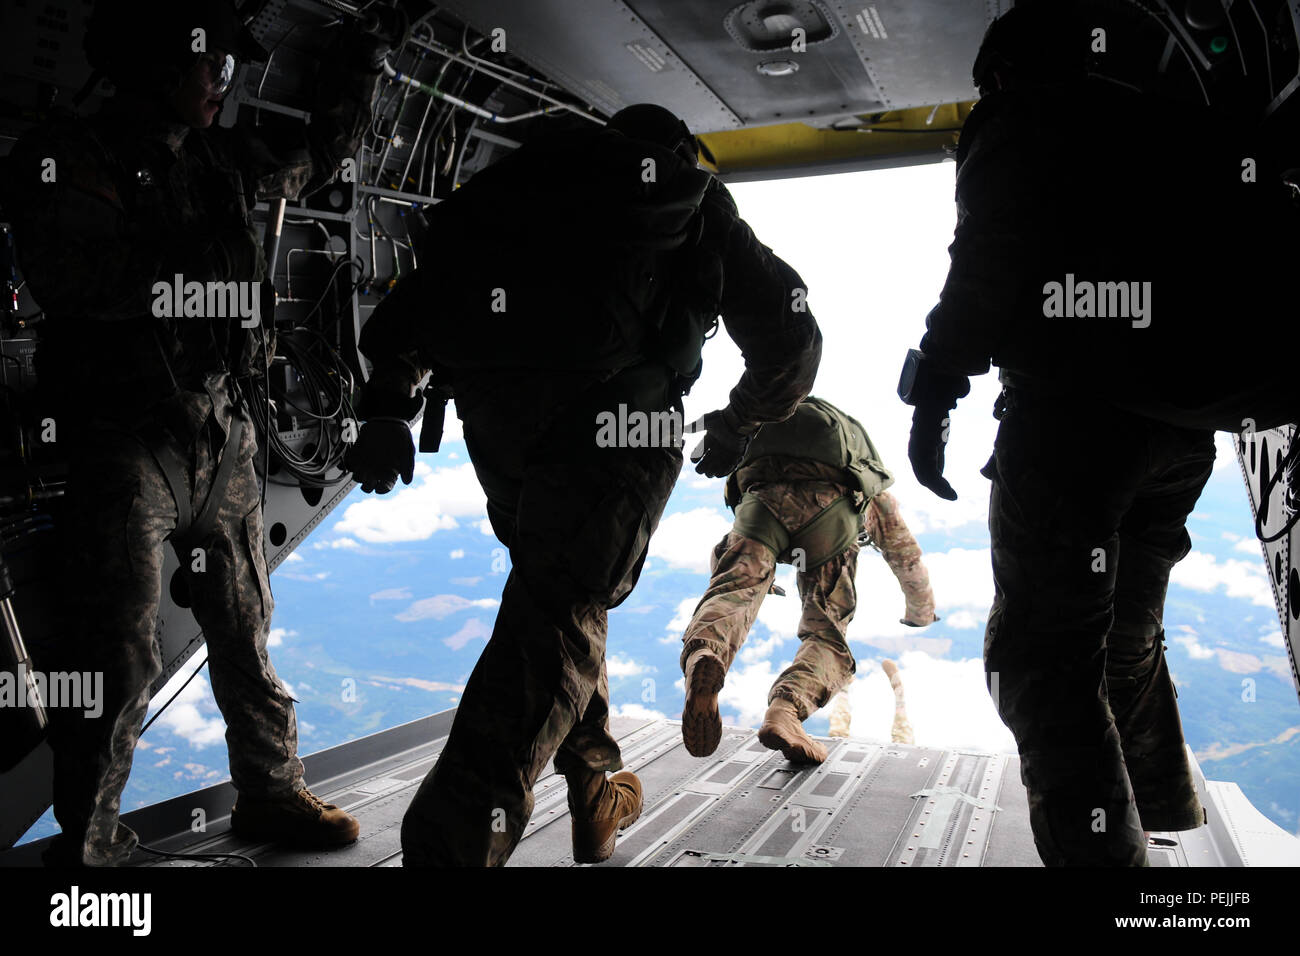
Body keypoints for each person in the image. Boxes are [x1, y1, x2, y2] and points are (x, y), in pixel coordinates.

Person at [347, 103, 822, 866]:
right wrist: (736, 425)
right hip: (619, 427)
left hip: (498, 424)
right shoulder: (686, 197)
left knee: (554, 599)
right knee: (561, 608)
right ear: (671, 149)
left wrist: (386, 410)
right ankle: (452, 843)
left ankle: (597, 790)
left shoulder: (512, 187)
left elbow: (415, 308)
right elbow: (791, 336)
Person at [0, 0, 406, 866]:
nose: (222, 84)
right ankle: (91, 843)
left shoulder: (219, 161)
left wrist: (365, 54)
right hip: (123, 436)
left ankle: (269, 790)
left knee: (245, 627)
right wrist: (198, 271)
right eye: (207, 67)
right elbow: (71, 281)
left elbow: (319, 155)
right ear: (152, 66)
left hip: (217, 429)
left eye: (229, 69)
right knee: (116, 658)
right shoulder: (68, 156)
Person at [897, 1, 1299, 866]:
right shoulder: (1181, 121)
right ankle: (1155, 814)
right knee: (1125, 634)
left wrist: (934, 388)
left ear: (1004, 69)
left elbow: (989, 258)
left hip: (1076, 422)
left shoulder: (1029, 111)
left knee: (1041, 654)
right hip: (1186, 430)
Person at [677, 396, 936, 763]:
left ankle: (705, 654)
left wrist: (756, 580)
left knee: (732, 593)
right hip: (830, 520)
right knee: (826, 635)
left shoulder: (764, 449)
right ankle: (786, 710)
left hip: (760, 507)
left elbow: (727, 567)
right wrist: (920, 610)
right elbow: (904, 553)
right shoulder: (859, 475)